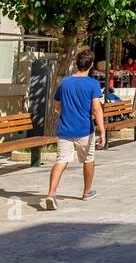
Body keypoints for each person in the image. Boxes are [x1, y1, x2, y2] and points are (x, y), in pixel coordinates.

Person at [45, 48, 107, 210]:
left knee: (61, 160)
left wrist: (65, 113)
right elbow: (97, 109)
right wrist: (102, 132)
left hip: (65, 130)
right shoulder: (93, 84)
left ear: (76, 64)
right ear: (91, 65)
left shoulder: (64, 82)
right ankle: (86, 192)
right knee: (88, 159)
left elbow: (57, 106)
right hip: (85, 130)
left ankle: (51, 194)